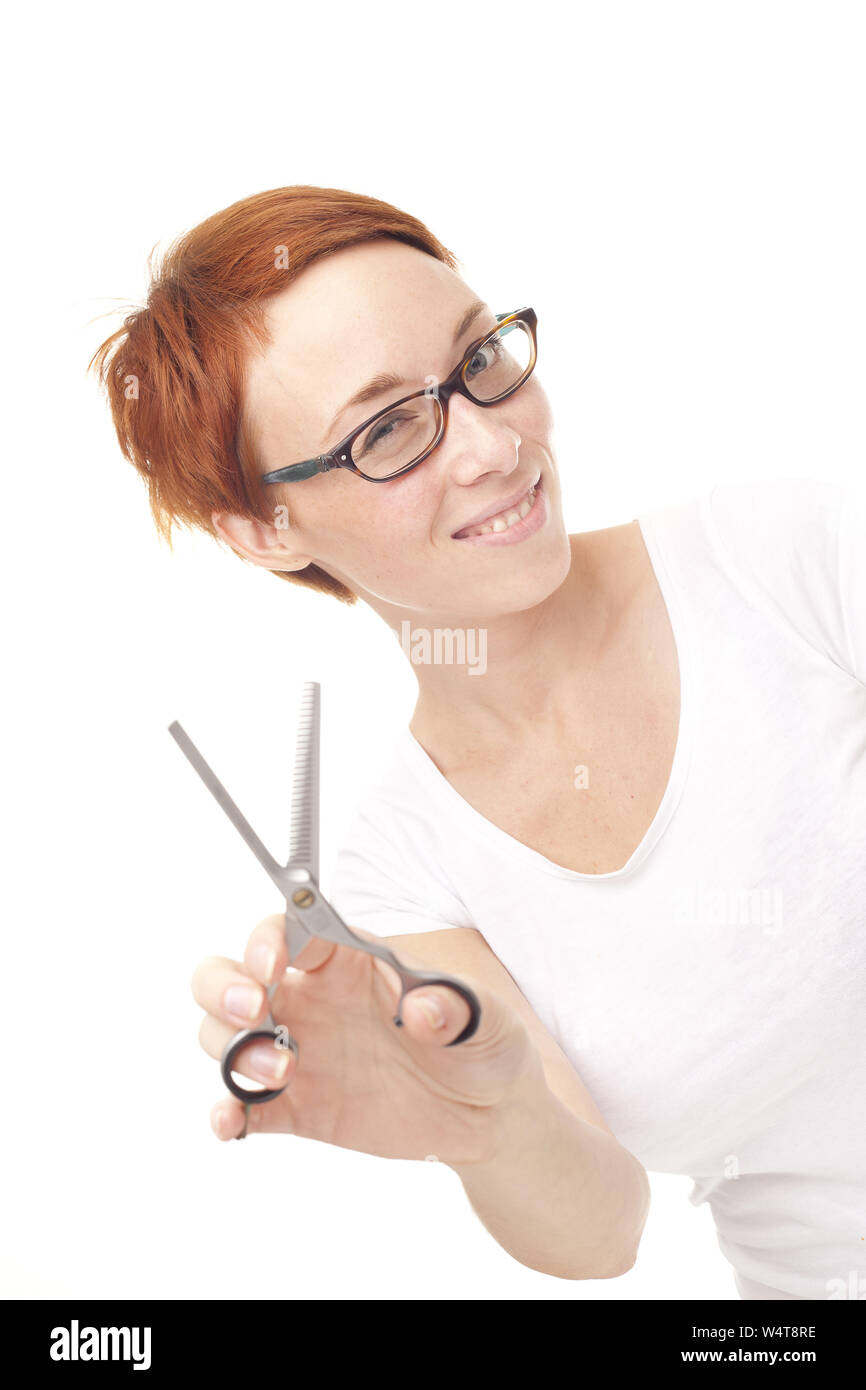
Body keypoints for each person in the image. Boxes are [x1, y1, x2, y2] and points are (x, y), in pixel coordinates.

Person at [89, 185, 865, 1299]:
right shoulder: (401, 871)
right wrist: (488, 1121)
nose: (496, 446)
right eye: (388, 429)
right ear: (266, 527)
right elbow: (599, 1232)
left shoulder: (781, 558)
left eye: (481, 359)